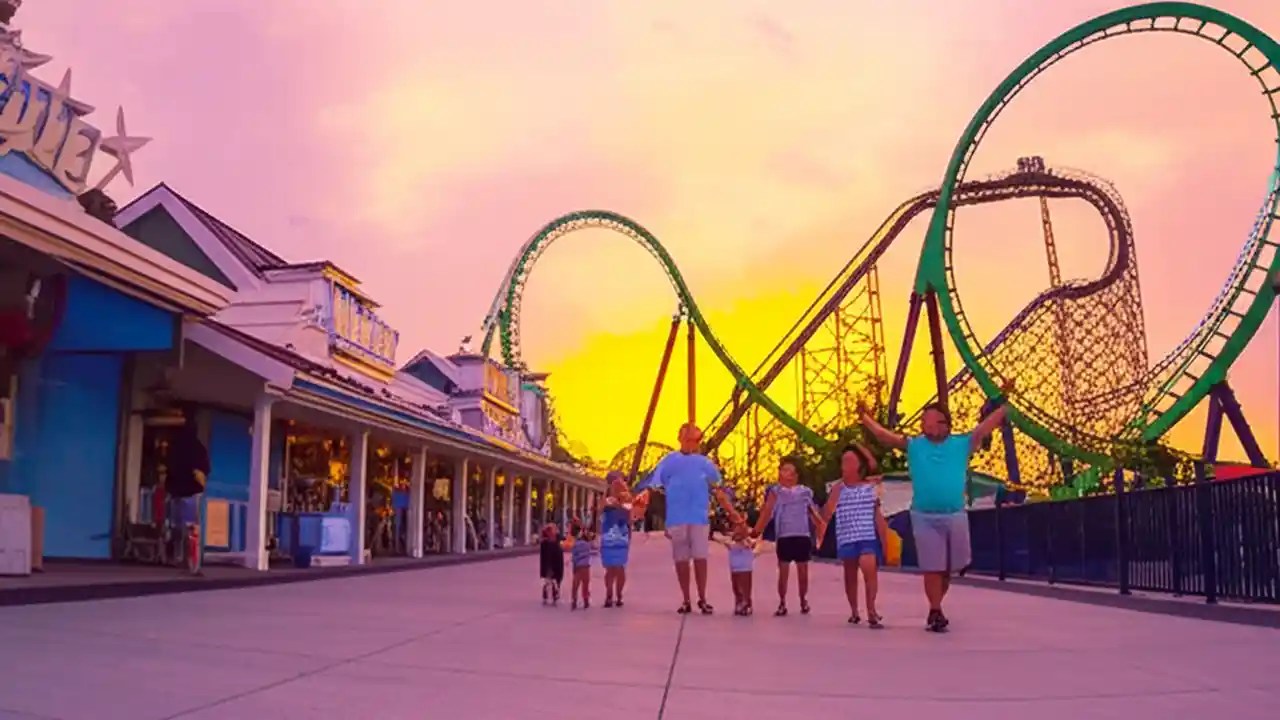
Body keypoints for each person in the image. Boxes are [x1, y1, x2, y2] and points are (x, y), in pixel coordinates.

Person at [859, 380, 1013, 632]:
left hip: (955, 514)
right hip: (924, 516)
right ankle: (935, 609)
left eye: (930, 420)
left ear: (945, 424)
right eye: (924, 421)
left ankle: (936, 604)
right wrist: (865, 418)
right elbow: (884, 437)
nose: (925, 425)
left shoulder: (961, 444)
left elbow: (985, 428)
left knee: (950, 567)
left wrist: (1003, 405)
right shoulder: (915, 445)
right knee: (933, 566)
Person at [633, 423, 740, 615]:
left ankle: (702, 598)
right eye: (690, 439)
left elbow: (718, 490)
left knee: (700, 558)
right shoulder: (669, 461)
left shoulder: (705, 464)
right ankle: (686, 599)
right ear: (680, 439)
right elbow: (653, 485)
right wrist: (642, 501)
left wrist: (734, 515)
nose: (693, 443)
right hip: (677, 517)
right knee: (681, 559)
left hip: (699, 517)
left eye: (696, 440)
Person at [817, 444, 885, 629]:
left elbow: (877, 513)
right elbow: (826, 514)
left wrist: (858, 447)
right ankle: (854, 610)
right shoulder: (838, 488)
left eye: (850, 461)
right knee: (850, 574)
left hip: (867, 535)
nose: (845, 465)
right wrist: (819, 534)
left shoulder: (871, 486)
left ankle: (871, 610)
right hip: (847, 536)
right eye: (844, 461)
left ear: (859, 465)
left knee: (869, 569)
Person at [751, 456, 822, 616]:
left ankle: (803, 600)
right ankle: (782, 602)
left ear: (796, 476)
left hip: (802, 535)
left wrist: (820, 532)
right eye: (782, 470)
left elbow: (814, 514)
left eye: (789, 471)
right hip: (784, 535)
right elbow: (767, 512)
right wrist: (756, 531)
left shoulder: (805, 492)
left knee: (803, 570)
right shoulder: (775, 492)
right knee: (783, 571)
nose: (785, 474)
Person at [598, 471, 637, 608]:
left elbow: (630, 518)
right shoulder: (605, 500)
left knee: (620, 567)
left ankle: (619, 595)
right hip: (608, 536)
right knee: (610, 568)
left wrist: (620, 504)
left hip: (621, 537)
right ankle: (609, 594)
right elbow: (600, 514)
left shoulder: (627, 500)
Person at [714, 521, 764, 616]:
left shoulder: (747, 543)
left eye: (741, 530)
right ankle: (739, 602)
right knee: (736, 587)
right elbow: (724, 541)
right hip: (735, 569)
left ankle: (747, 603)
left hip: (745, 568)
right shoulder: (731, 543)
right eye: (736, 529)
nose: (738, 533)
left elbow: (756, 545)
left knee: (746, 587)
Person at [568, 521, 597, 610]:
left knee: (575, 585)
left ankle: (574, 600)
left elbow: (574, 557)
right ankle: (586, 600)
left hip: (578, 567)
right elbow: (595, 548)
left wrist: (574, 566)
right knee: (585, 585)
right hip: (586, 567)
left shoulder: (575, 545)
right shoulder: (587, 545)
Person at [538, 523, 564, 605]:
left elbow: (566, 542)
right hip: (548, 564)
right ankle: (546, 596)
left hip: (557, 563)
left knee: (556, 580)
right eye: (552, 529)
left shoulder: (558, 539)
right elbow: (544, 555)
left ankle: (555, 595)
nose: (554, 531)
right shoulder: (545, 542)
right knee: (548, 581)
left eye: (554, 529)